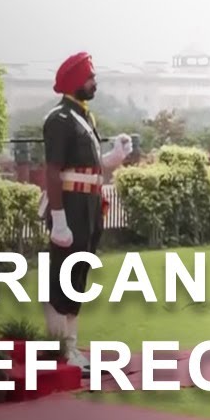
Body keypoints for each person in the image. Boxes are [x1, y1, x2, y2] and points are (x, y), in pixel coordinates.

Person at [41, 52, 132, 374]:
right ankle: (62, 350)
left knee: (79, 275)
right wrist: (59, 217)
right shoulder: (59, 120)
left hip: (90, 202)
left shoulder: (85, 118)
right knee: (65, 274)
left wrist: (114, 157)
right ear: (76, 81)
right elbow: (53, 171)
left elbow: (90, 169)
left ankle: (72, 347)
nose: (95, 82)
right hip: (70, 204)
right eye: (90, 77)